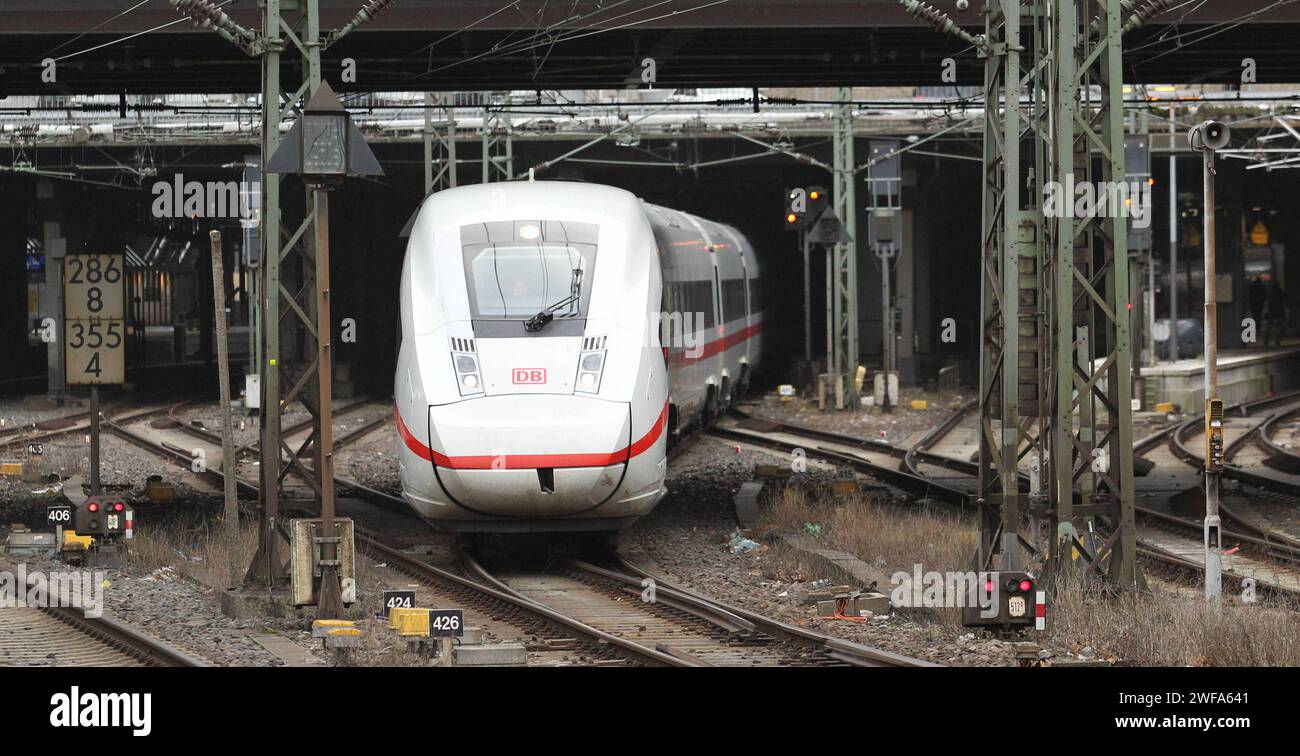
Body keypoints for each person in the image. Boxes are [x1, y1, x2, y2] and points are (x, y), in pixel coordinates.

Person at [1264, 279, 1287, 347]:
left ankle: (1266, 341)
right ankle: (1277, 341)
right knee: (1278, 327)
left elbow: (1267, 302)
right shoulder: (1281, 292)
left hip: (1271, 311)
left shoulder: (1270, 293)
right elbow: (1284, 300)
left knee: (1269, 327)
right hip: (1279, 311)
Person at [1248, 276, 1267, 345]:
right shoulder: (1262, 286)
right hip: (1259, 303)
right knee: (1258, 315)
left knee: (1255, 315)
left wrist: (1250, 303)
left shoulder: (1252, 286)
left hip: (1253, 303)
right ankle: (1258, 327)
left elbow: (1249, 295)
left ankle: (1255, 327)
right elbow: (1265, 295)